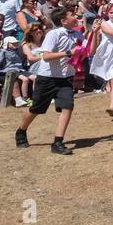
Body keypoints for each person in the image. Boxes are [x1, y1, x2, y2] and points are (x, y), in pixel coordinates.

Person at [15, 10, 81, 154]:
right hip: (48, 77)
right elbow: (46, 57)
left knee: (67, 106)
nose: (76, 17)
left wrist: (94, 33)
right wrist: (69, 53)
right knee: (36, 109)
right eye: (72, 15)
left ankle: (58, 142)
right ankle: (21, 131)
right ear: (63, 20)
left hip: (66, 77)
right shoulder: (54, 34)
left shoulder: (77, 34)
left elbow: (89, 50)